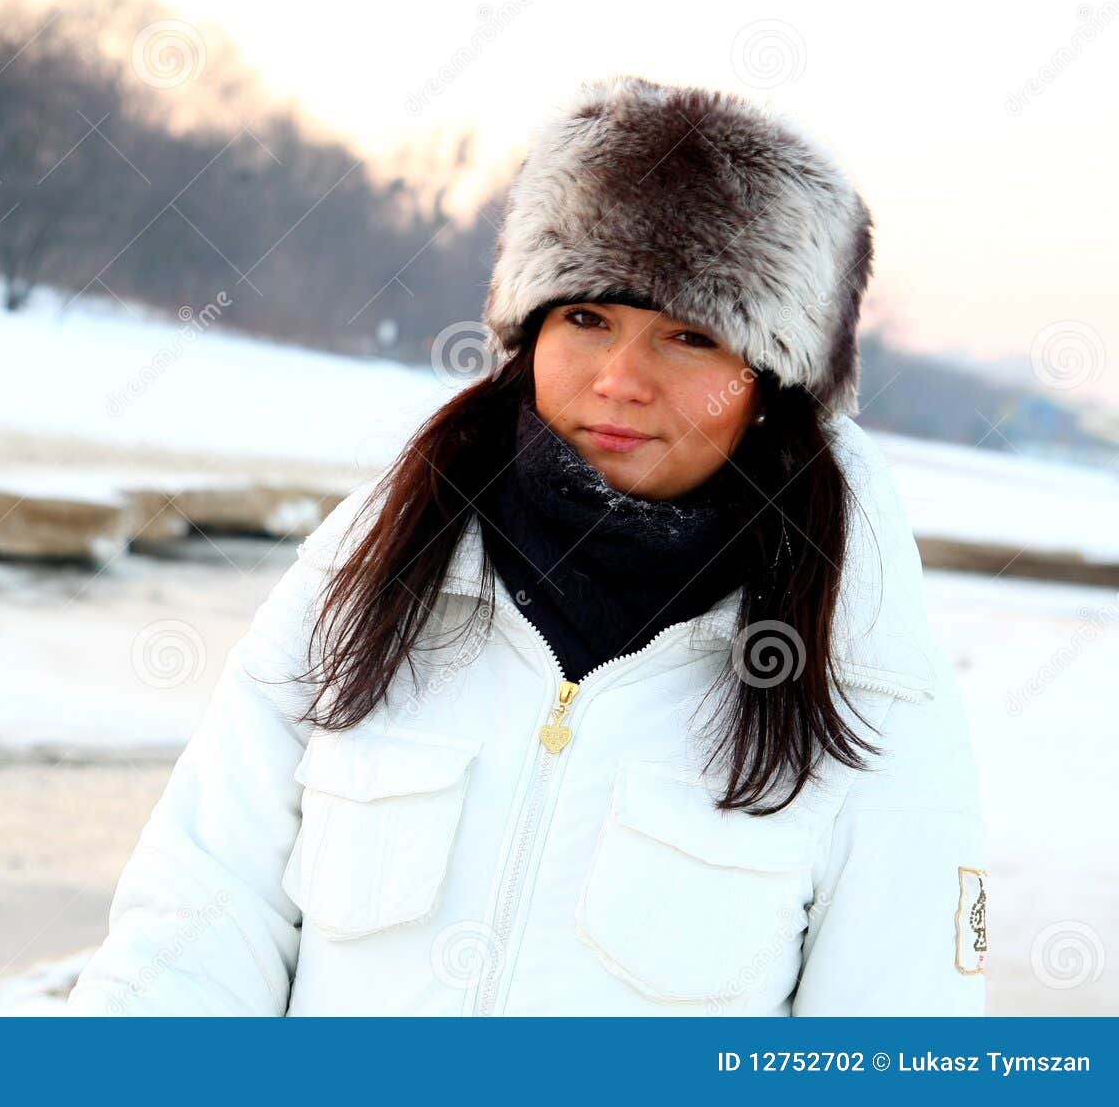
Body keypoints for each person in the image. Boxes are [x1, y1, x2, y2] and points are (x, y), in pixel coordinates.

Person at [66, 74, 987, 1016]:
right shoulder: (366, 576)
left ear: (771, 387)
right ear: (528, 330)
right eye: (587, 318)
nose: (620, 378)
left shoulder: (867, 684)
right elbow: (199, 918)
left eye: (689, 336)